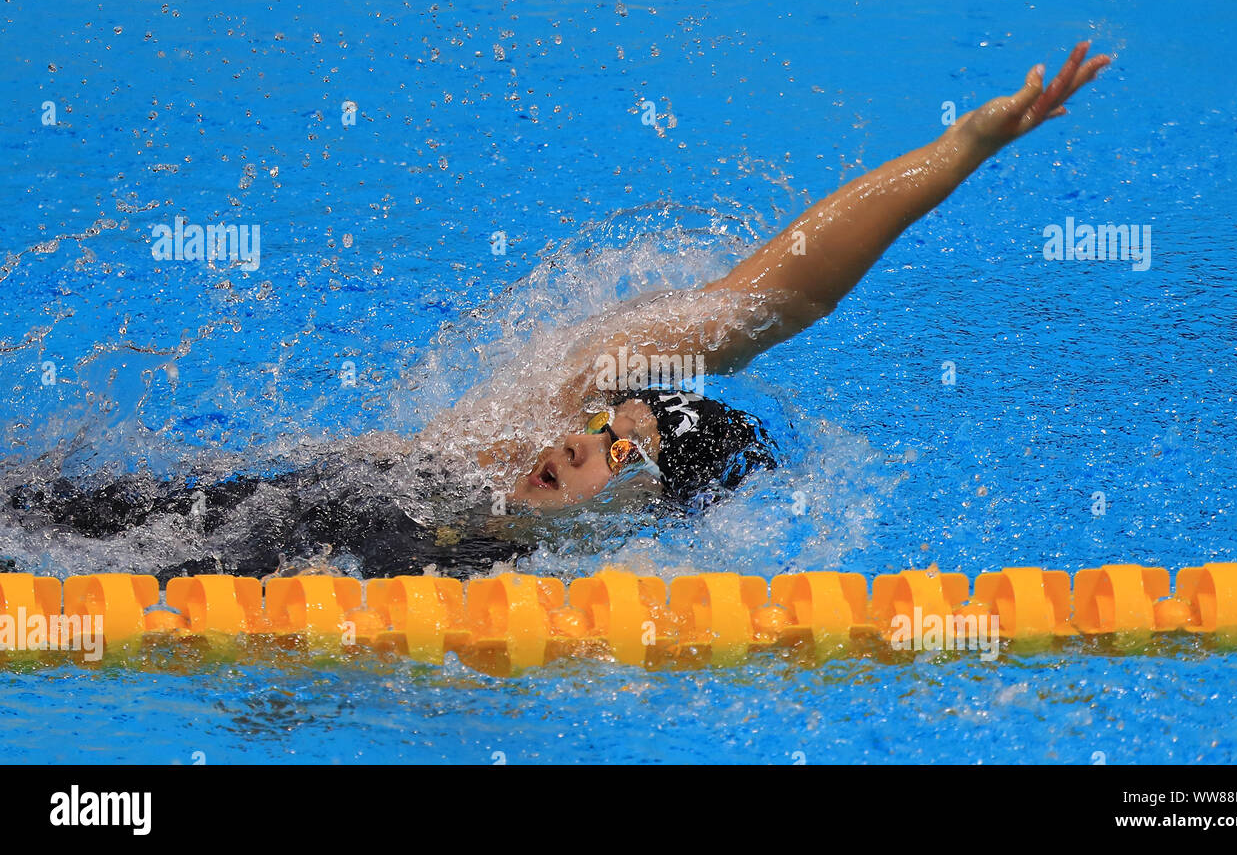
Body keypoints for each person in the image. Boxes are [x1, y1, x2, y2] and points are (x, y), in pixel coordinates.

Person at [5, 42, 1109, 581]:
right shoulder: (512, 431)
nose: (582, 440)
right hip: (215, 518)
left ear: (651, 512)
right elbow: (784, 293)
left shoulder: (580, 580)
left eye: (620, 448)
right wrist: (965, 147)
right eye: (603, 421)